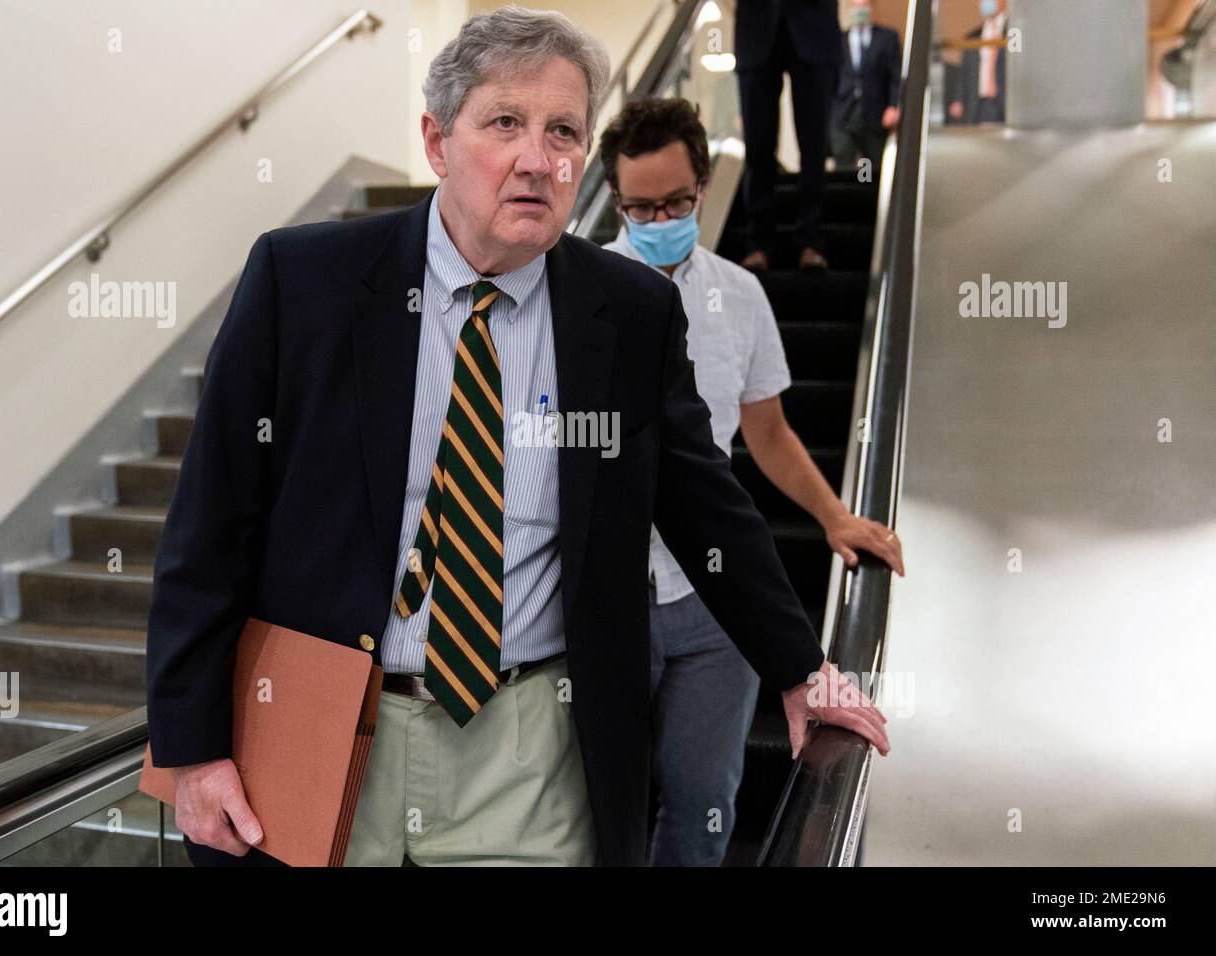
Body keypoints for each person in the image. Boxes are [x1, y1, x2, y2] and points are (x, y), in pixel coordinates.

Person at [145, 4, 889, 869]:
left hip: (529, 754)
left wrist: (801, 667)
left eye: (564, 130)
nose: (540, 158)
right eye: (506, 123)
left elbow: (704, 503)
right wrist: (192, 748)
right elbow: (209, 526)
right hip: (324, 733)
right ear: (436, 140)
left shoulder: (631, 315)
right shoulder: (303, 282)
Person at [598, 97, 905, 866]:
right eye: (641, 206)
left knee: (704, 804)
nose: (659, 216)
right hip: (606, 598)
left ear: (705, 184)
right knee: (601, 809)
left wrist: (834, 516)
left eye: (675, 201)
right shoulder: (581, 293)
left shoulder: (741, 295)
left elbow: (767, 434)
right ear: (615, 201)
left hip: (713, 602)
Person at [734, 0, 842, 273]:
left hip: (815, 29)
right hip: (756, 30)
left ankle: (811, 241)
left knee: (814, 145)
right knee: (757, 147)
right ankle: (759, 243)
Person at [830, 0, 901, 170]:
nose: (860, 10)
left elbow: (895, 77)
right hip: (844, 114)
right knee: (844, 163)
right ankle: (848, 196)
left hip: (874, 115)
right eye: (856, 5)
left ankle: (867, 194)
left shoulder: (886, 39)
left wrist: (893, 106)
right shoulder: (838, 40)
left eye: (864, 5)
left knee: (869, 168)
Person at [948, 0, 1008, 124]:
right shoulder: (973, 37)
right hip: (978, 104)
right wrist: (958, 99)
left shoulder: (1014, 32)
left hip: (1004, 103)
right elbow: (965, 71)